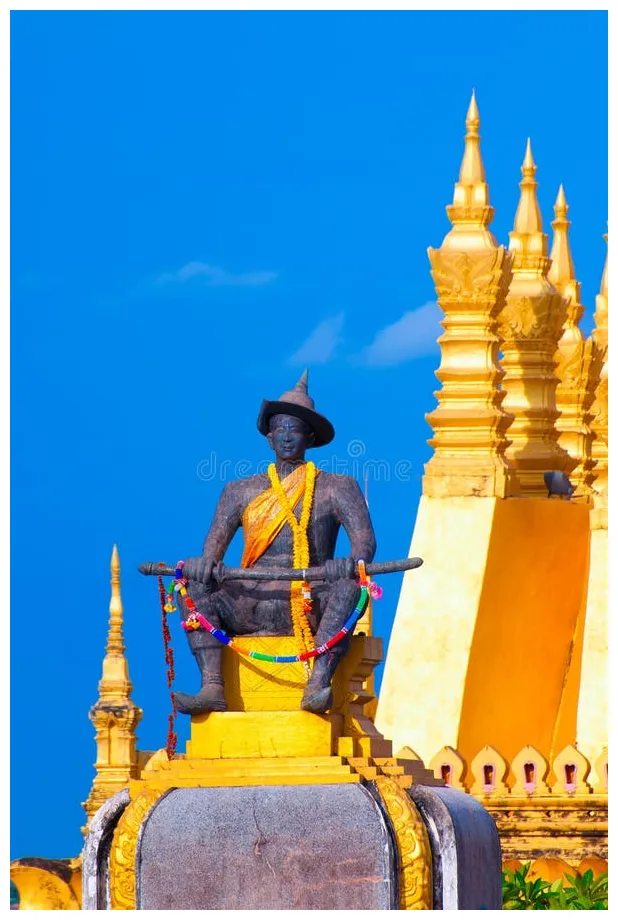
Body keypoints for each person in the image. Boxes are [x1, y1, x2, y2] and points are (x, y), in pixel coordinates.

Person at [175, 370, 377, 715]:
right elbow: (212, 553)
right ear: (269, 437)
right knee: (192, 586)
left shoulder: (336, 487)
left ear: (309, 438)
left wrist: (346, 563)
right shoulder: (240, 491)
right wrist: (201, 566)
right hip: (250, 599)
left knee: (349, 588)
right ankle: (212, 685)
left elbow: (365, 545)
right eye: (279, 430)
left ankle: (317, 684)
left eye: (295, 430)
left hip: (311, 599)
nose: (286, 438)